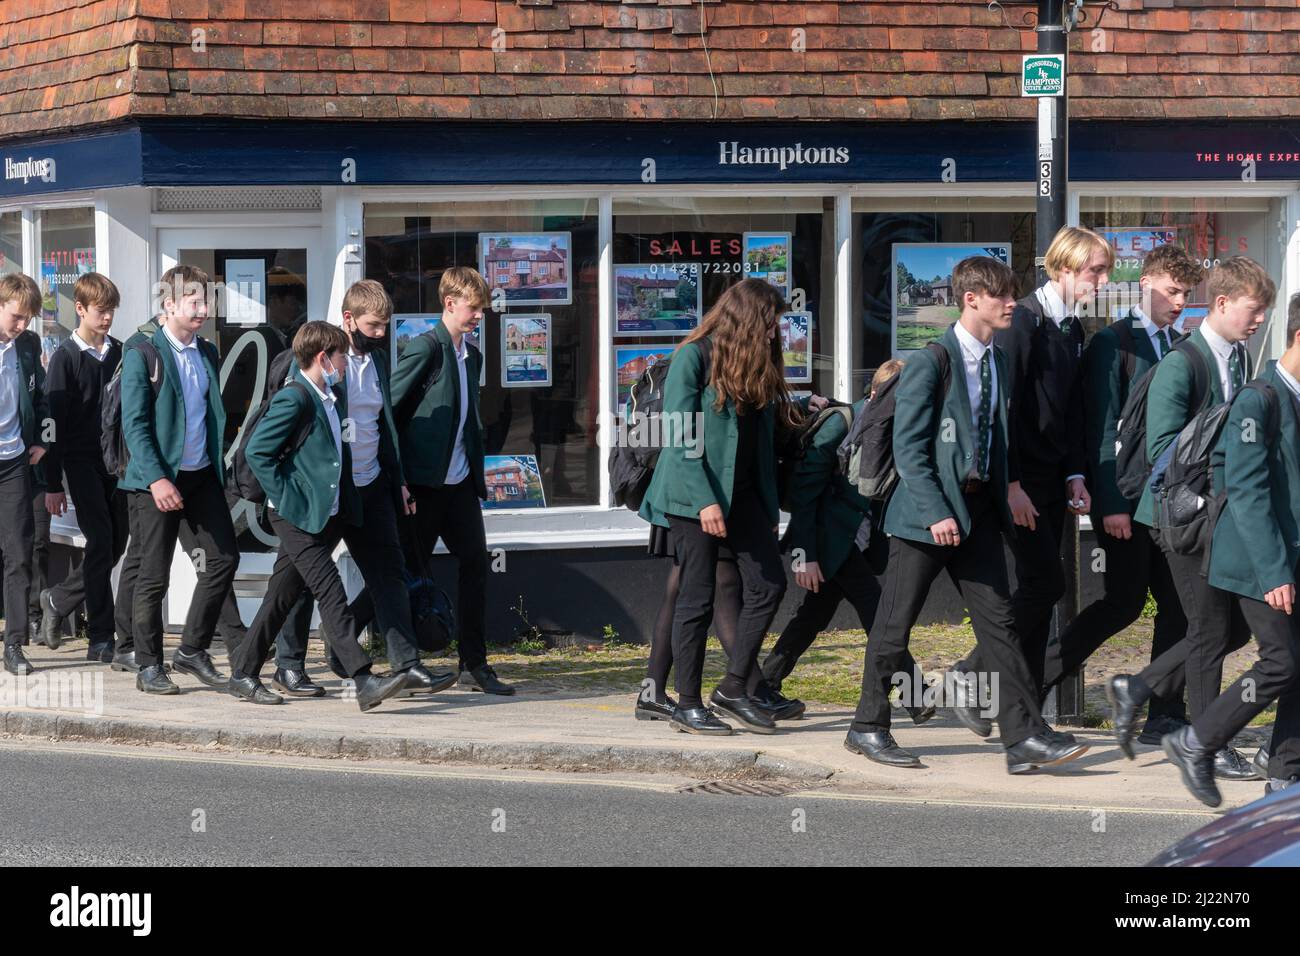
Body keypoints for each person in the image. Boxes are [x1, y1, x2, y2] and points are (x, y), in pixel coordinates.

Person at [845, 256, 1088, 773]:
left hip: (978, 510)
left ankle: (1022, 737)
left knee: (1000, 624)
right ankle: (867, 725)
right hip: (923, 516)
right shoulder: (931, 361)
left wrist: (1013, 488)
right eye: (1000, 295)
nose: (1010, 304)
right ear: (970, 299)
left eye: (1012, 294)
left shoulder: (997, 360)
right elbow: (910, 449)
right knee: (894, 625)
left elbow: (997, 439)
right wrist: (935, 511)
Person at [1107, 257, 1274, 781]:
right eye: (1253, 310)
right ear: (1222, 303)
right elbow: (1161, 452)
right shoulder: (1183, 363)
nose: (1259, 321)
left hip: (1220, 514)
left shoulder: (1240, 358)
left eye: (1265, 313)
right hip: (1180, 516)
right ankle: (1206, 743)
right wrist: (1209, 503)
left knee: (1235, 629)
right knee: (1209, 628)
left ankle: (1136, 689)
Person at [1035, 245, 1202, 741]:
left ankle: (1166, 714)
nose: (1179, 301)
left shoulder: (1178, 343)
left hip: (1169, 502)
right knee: (1124, 603)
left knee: (1178, 607)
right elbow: (1102, 426)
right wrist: (1109, 503)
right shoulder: (1113, 342)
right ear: (1146, 283)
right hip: (1127, 499)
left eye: (1186, 294)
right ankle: (1028, 682)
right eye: (1172, 290)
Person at [951, 227, 1109, 734]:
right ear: (1064, 269)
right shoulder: (1026, 324)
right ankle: (970, 677)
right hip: (1018, 483)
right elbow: (1005, 410)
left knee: (1041, 594)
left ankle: (1014, 705)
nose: (1103, 280)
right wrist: (1013, 483)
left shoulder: (1071, 330)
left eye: (1105, 271)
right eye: (1095, 271)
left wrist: (1076, 472)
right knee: (1045, 584)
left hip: (1051, 480)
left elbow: (1068, 414)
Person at [271, 279, 454, 699]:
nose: (381, 334)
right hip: (326, 491)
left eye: (386, 325)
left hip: (371, 487)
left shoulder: (379, 361)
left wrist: (399, 481)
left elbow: (382, 425)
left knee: (389, 574)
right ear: (348, 319)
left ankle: (407, 665)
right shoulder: (318, 365)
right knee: (297, 579)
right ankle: (288, 664)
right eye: (373, 325)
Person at [226, 321, 408, 712]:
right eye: (342, 355)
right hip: (293, 517)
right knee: (330, 590)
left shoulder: (330, 397)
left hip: (322, 514)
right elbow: (258, 452)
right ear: (324, 357)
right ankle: (363, 679)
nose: (346, 362)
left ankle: (242, 672)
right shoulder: (297, 398)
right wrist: (287, 496)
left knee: (280, 596)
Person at [1162, 294, 1300, 805]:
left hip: (1287, 557)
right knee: (1281, 662)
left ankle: (1285, 772)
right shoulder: (1258, 399)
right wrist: (1273, 573)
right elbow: (1246, 491)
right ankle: (1197, 741)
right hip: (1255, 562)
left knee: (1296, 663)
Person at [638, 278, 790, 736]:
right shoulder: (694, 356)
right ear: (747, 319)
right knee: (696, 597)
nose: (774, 332)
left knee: (768, 585)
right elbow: (681, 436)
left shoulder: (758, 358)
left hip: (743, 497)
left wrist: (768, 506)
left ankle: (734, 686)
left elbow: (762, 438)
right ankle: (687, 703)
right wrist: (705, 501)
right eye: (770, 322)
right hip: (692, 495)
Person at [758, 360, 935, 727]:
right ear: (876, 394)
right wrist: (804, 554)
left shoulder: (890, 424)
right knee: (877, 610)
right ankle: (915, 695)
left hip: (853, 540)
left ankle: (766, 682)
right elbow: (805, 495)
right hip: (826, 540)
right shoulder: (840, 424)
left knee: (814, 614)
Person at [110, 267, 248, 674]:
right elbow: (134, 423)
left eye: (207, 302)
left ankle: (191, 649)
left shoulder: (206, 351)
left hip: (200, 475)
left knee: (222, 560)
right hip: (155, 481)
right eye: (195, 302)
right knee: (153, 575)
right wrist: (156, 478)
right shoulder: (142, 351)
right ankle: (149, 665)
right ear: (169, 304)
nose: (204, 310)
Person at [391, 267, 512, 695]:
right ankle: (375, 650)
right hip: (423, 486)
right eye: (473, 307)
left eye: (482, 308)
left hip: (459, 484)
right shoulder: (425, 349)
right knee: (407, 572)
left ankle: (474, 664)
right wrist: (400, 479)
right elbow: (390, 413)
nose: (479, 315)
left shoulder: (471, 356)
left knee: (475, 566)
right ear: (449, 303)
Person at [39, 273, 128, 663]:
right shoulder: (65, 358)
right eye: (100, 311)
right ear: (80, 309)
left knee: (116, 543)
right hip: (79, 461)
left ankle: (58, 599)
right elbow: (53, 424)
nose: (107, 318)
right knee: (101, 540)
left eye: (111, 311)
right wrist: (52, 482)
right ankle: (101, 637)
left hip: (117, 463)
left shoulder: (121, 352)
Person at [0, 274, 48, 675]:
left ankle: (14, 644)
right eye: (17, 316)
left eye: (28, 319)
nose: (22, 325)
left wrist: (42, 441)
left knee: (19, 553)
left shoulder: (28, 345)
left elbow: (42, 395)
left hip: (14, 459)